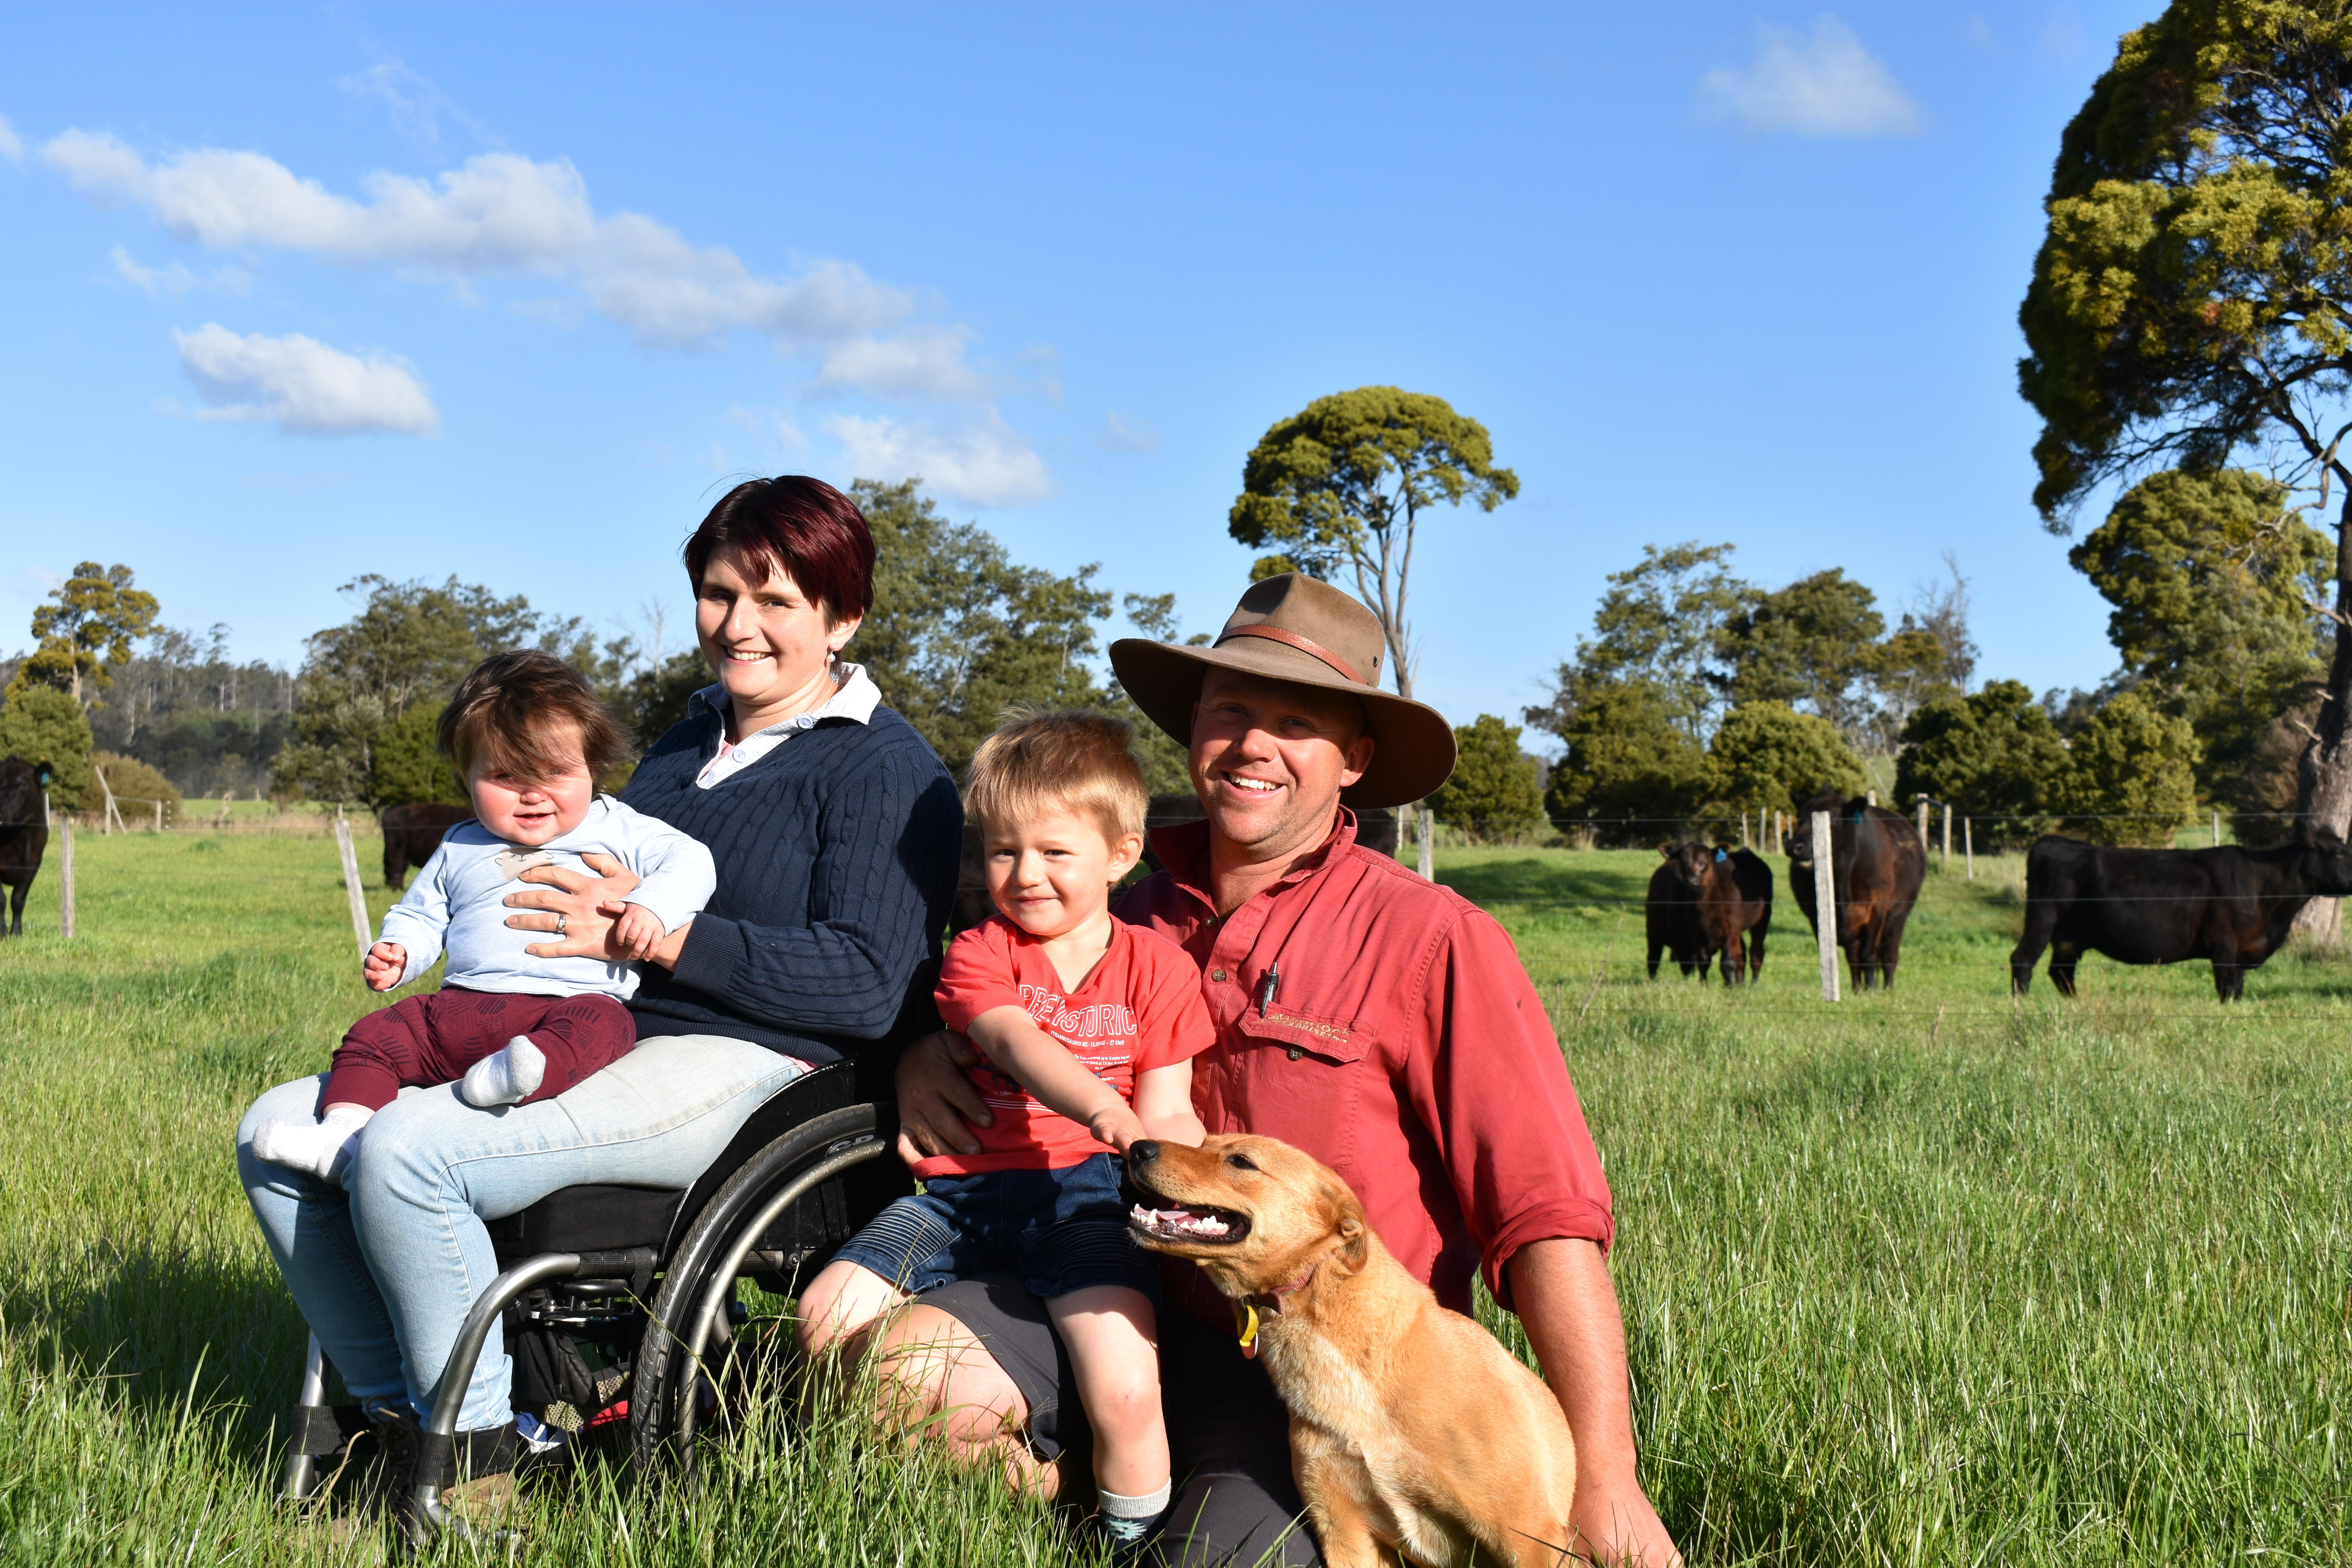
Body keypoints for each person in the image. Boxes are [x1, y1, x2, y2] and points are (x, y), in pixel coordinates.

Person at [888, 573, 1683, 1567]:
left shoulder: (1431, 937)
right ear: (1194, 728)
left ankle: (1167, 1513)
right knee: (898, 1374)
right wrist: (923, 1052)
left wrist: (1605, 1471)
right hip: (1099, 1287)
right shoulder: (1114, 911)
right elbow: (996, 1006)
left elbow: (1543, 1211)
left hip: (1317, 1371)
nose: (1253, 744)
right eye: (1230, 709)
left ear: (1354, 758)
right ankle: (1085, 1500)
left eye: (1297, 723)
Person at [236, 476, 963, 1521]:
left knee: (411, 1152)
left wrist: (664, 936)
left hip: (756, 1063)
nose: (738, 625)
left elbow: (866, 978)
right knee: (272, 1129)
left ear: (842, 618)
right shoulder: (682, 742)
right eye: (719, 593)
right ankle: (406, 1416)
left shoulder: (886, 770)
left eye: (776, 600)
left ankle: (476, 1470)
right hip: (596, 1029)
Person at [799, 711, 1214, 1551]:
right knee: (822, 1314)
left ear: (1122, 854)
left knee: (1127, 1385)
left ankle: (1129, 1539)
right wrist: (1100, 1105)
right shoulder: (981, 951)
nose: (1025, 875)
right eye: (1002, 851)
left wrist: (1182, 1178)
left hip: (1088, 1199)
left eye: (1055, 851)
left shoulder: (1159, 968)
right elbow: (1013, 1040)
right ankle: (892, 1486)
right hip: (964, 1194)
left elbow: (1170, 1108)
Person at [250, 651, 715, 1182]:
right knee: (371, 1036)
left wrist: (652, 907)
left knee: (606, 1026)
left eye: (555, 772)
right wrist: (401, 951)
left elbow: (692, 861)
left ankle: (517, 1076)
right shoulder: (460, 844)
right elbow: (422, 913)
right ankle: (341, 1136)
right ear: (466, 776)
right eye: (505, 775)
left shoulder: (620, 829)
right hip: (460, 1009)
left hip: (565, 1006)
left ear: (592, 764)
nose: (533, 793)